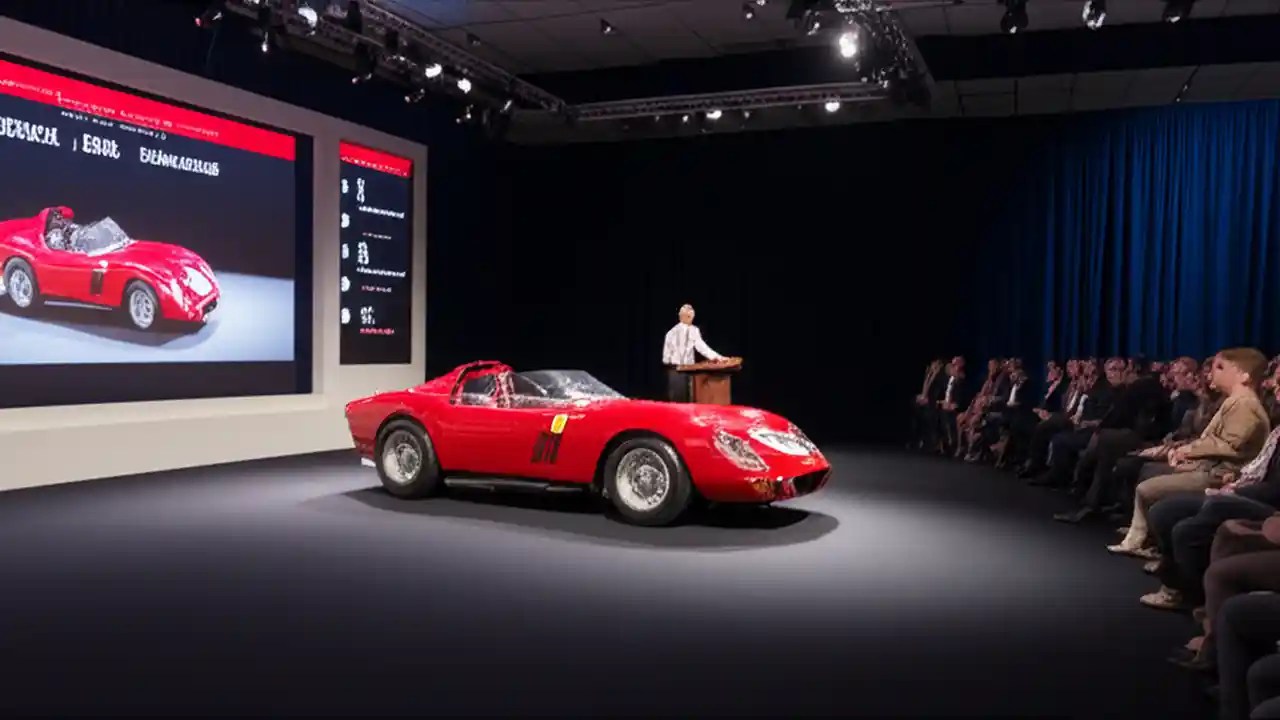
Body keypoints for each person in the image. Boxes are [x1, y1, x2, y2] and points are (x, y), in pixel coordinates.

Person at [1109, 348, 1271, 557]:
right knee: (1149, 476)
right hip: (1211, 470)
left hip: (1219, 476)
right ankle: (1145, 538)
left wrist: (1187, 451)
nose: (1213, 373)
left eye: (1221, 368)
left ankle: (1142, 541)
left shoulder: (1245, 404)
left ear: (1244, 376)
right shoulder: (1234, 402)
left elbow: (1230, 445)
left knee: (1146, 489)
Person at [661, 304, 724, 402]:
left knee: (688, 399)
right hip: (676, 371)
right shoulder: (671, 333)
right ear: (681, 316)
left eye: (692, 317)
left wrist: (718, 357)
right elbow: (666, 357)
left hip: (689, 371)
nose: (691, 319)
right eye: (689, 316)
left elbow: (702, 347)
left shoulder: (694, 330)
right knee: (677, 401)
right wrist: (674, 364)